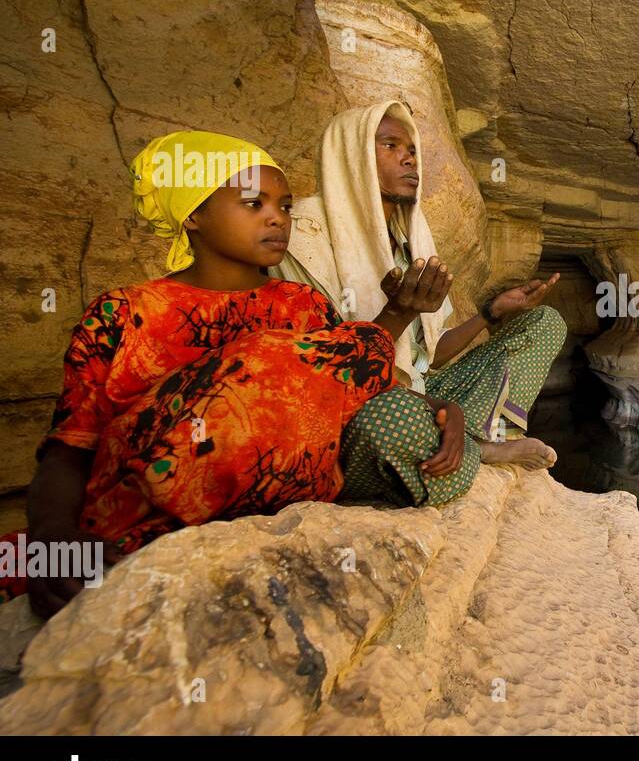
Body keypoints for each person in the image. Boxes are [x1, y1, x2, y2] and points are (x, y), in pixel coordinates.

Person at [6, 131, 446, 617]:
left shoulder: (300, 305)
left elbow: (352, 388)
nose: (277, 217)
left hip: (277, 504)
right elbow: (72, 445)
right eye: (253, 203)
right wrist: (52, 541)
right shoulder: (123, 312)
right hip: (138, 506)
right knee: (264, 357)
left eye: (285, 204)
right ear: (193, 214)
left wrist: (447, 414)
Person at [269, 101, 567, 509]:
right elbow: (323, 372)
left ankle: (470, 439)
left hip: (422, 393)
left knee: (545, 323)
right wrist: (441, 405)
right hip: (358, 412)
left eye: (411, 148)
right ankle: (476, 450)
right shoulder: (305, 237)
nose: (409, 157)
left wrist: (490, 313)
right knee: (394, 422)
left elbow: (430, 358)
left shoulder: (409, 240)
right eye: (390, 146)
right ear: (351, 156)